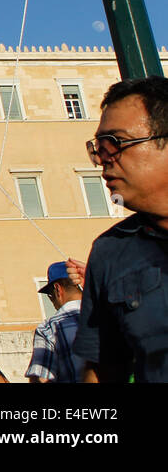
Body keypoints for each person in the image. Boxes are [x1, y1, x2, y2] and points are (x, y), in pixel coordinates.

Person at [74, 76, 168, 383]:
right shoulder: (110, 251)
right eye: (98, 147)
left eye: (116, 143)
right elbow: (101, 367)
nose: (103, 159)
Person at [26, 261, 83, 383]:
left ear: (57, 289)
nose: (52, 302)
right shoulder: (109, 315)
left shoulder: (49, 328)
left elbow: (40, 378)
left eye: (50, 296)